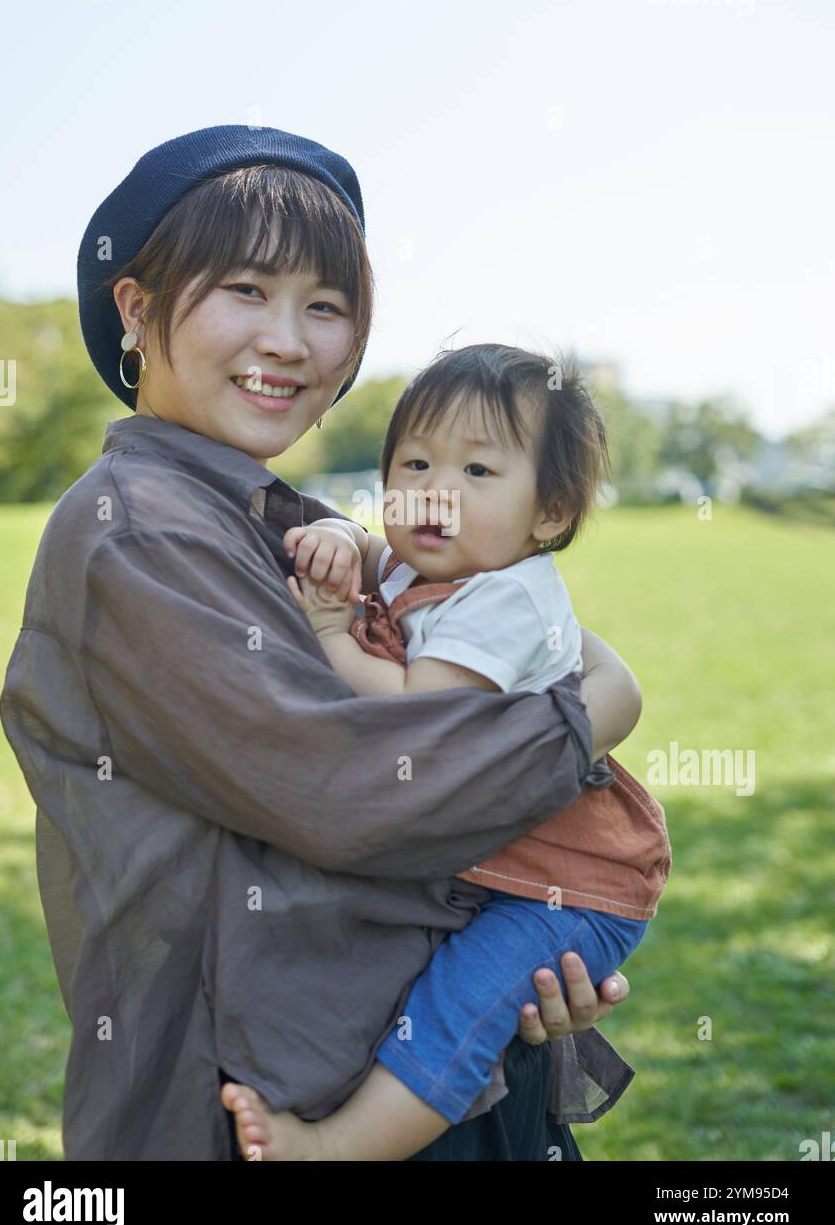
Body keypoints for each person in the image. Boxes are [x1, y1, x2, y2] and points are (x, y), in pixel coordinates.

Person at [0, 124, 640, 1162]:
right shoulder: (140, 525)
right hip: (254, 1100)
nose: (288, 341)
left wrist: (523, 951)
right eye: (245, 289)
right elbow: (354, 792)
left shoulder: (273, 514)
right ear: (137, 306)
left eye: (325, 306)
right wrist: (595, 704)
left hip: (414, 1075)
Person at [222, 343, 670, 1161]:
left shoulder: (507, 598)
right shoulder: (431, 554)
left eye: (478, 473)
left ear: (550, 514)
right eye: (416, 463)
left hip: (570, 885)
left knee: (461, 1004)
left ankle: (337, 1149)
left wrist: (327, 632)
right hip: (510, 860)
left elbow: (415, 715)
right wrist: (336, 539)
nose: (436, 491)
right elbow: (373, 555)